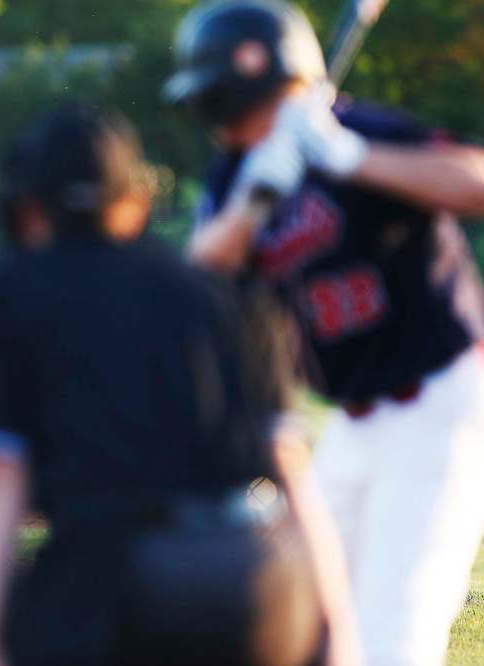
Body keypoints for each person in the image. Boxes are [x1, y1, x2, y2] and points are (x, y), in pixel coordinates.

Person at [0, 104, 334, 666]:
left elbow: (2, 486)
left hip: (105, 581)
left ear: (26, 207)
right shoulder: (221, 295)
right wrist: (337, 633)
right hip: (248, 579)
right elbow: (290, 469)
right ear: (135, 201)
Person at [165, 1, 484, 663]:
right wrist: (255, 205)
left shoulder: (350, 129)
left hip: (440, 404)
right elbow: (194, 284)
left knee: (395, 631)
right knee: (305, 620)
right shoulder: (238, 173)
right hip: (350, 421)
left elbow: (474, 182)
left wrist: (352, 156)